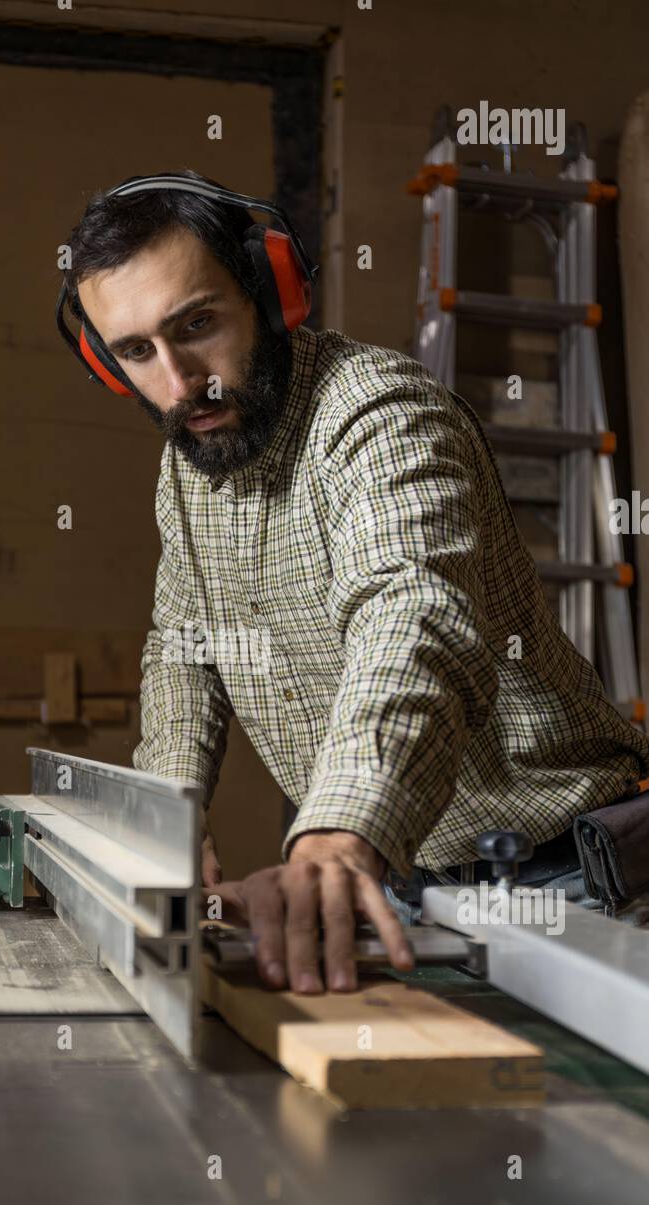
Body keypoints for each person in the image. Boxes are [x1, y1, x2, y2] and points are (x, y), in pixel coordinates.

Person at [60, 169, 649, 993]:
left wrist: (337, 835)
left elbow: (413, 621)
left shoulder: (380, 416)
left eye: (196, 324)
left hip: (567, 887)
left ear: (269, 291)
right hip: (408, 890)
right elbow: (185, 649)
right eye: (135, 352)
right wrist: (168, 822)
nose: (179, 382)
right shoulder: (189, 464)